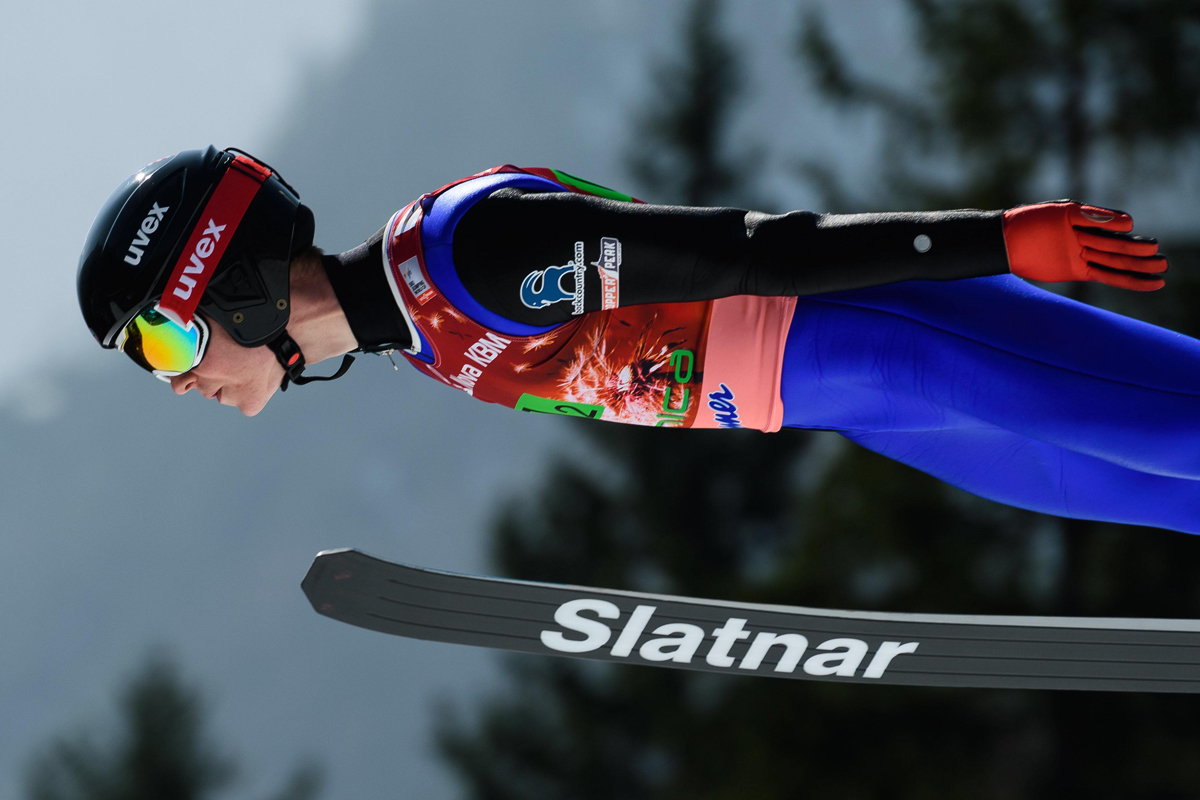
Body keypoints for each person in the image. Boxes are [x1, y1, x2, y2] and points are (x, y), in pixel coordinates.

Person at [79, 146, 1197, 533]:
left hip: (893, 344)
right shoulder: (415, 331)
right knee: (1162, 491)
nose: (181, 384)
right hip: (866, 405)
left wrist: (993, 239)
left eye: (165, 348)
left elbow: (750, 252)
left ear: (220, 285)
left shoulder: (468, 250)